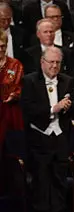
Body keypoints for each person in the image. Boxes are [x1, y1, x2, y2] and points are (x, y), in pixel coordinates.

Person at [21, 46, 74, 212]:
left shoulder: (67, 81)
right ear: (42, 62)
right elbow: (27, 110)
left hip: (60, 136)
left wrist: (68, 107)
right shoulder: (29, 81)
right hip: (39, 137)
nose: (54, 66)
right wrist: (54, 109)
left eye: (57, 62)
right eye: (51, 62)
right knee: (41, 179)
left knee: (60, 178)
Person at [0, 29, 23, 192]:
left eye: (3, 46)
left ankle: (13, 187)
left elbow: (19, 86)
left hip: (10, 112)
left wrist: (14, 95)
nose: (1, 49)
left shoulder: (15, 64)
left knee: (11, 149)